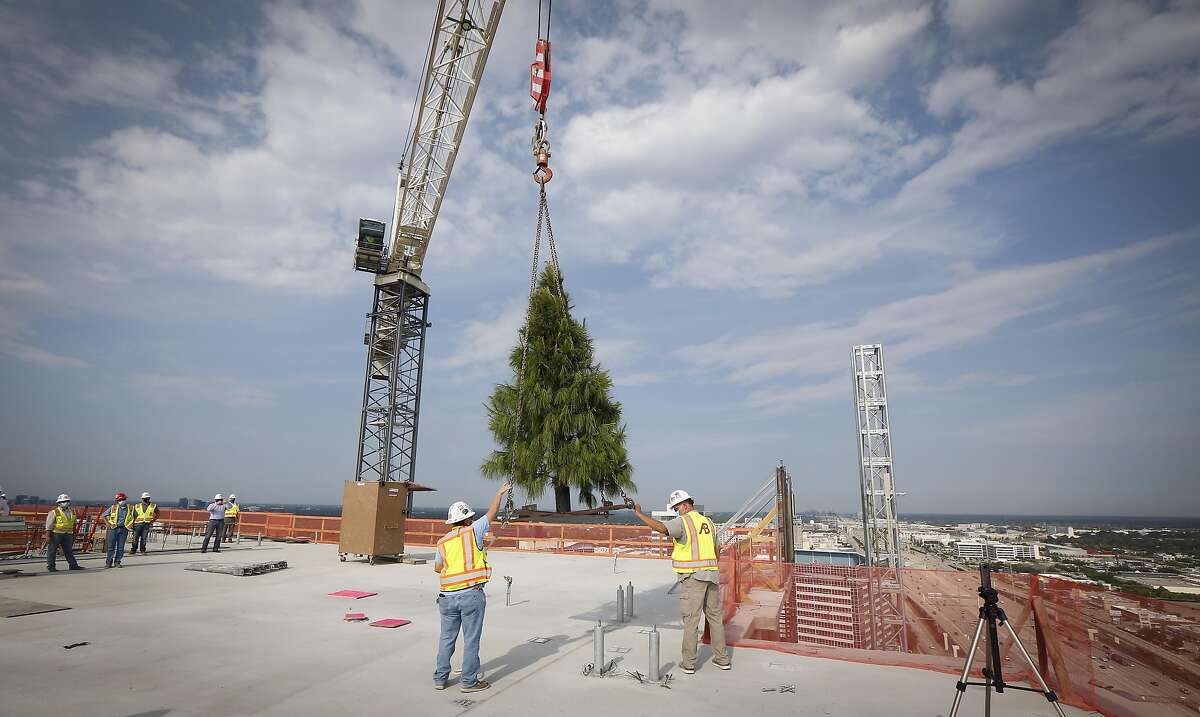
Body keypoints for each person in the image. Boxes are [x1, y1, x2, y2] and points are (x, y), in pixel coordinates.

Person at [631, 489, 730, 674]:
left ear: (685, 505)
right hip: (712, 575)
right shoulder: (708, 522)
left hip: (693, 577)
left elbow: (662, 528)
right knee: (715, 619)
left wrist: (639, 513)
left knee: (691, 621)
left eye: (677, 508)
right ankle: (722, 659)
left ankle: (689, 663)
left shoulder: (683, 521)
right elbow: (717, 550)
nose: (677, 512)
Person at [432, 482, 512, 693]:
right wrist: (499, 493)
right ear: (466, 519)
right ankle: (468, 681)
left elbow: (438, 568)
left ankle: (440, 678)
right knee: (471, 640)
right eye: (471, 517)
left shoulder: (442, 542)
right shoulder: (473, 531)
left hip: (447, 597)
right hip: (470, 595)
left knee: (446, 638)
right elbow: (492, 513)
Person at [45, 494, 84, 572]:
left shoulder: (73, 512)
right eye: (63, 501)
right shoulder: (54, 512)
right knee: (52, 551)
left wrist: (75, 532)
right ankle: (51, 566)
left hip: (68, 534)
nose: (65, 503)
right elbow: (49, 525)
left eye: (66, 501)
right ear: (59, 503)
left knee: (68, 551)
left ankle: (73, 565)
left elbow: (74, 523)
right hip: (56, 534)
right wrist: (48, 536)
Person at [99, 492, 135, 568]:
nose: (121, 501)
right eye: (120, 500)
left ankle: (117, 562)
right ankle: (108, 562)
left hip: (124, 529)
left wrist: (131, 523)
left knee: (121, 547)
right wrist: (107, 523)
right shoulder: (113, 508)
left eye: (123, 499)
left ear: (125, 499)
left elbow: (135, 516)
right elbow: (103, 515)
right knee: (111, 547)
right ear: (117, 501)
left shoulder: (131, 508)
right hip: (113, 529)